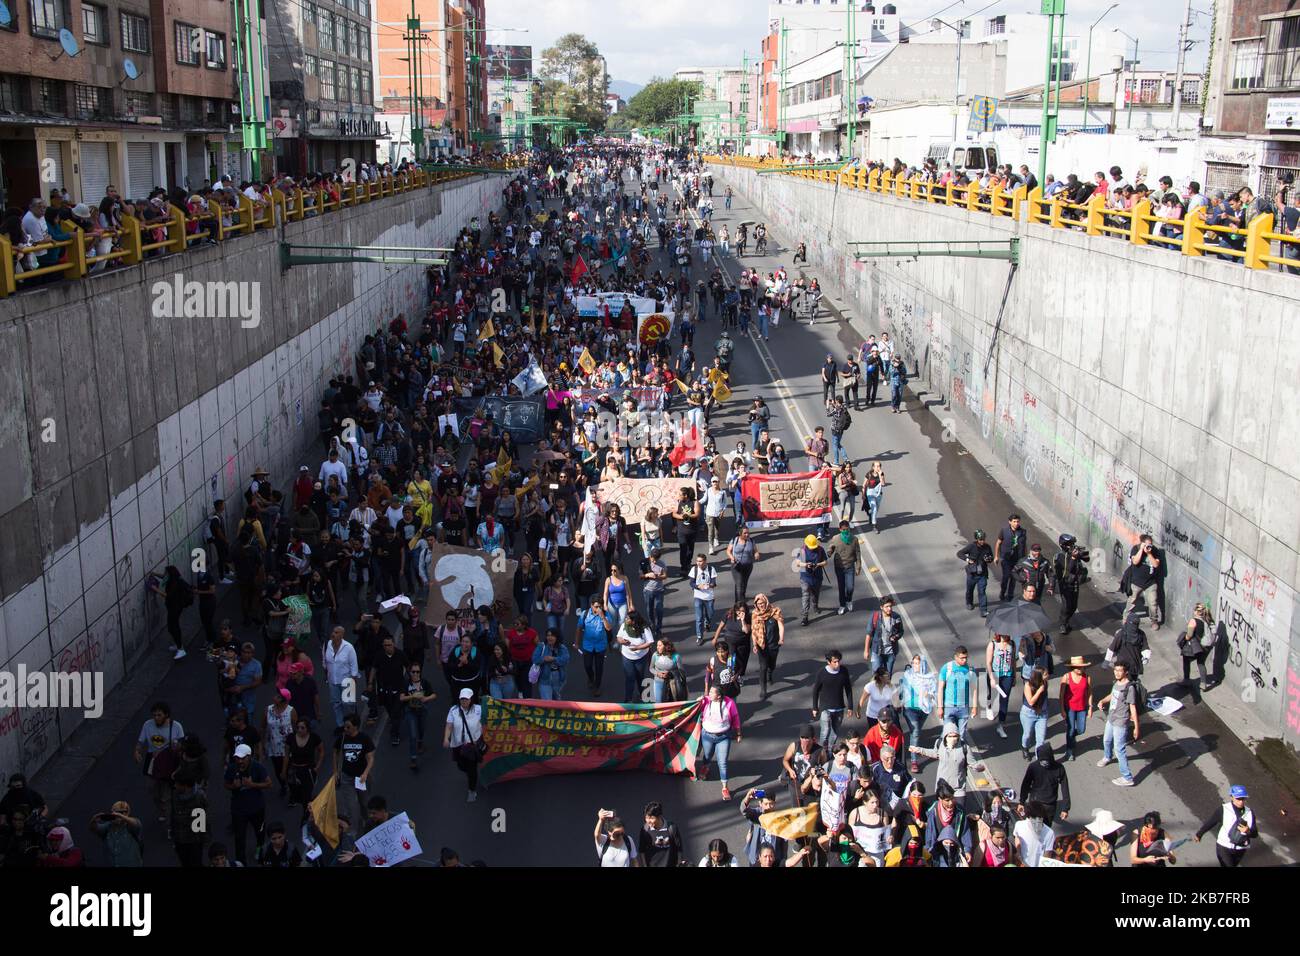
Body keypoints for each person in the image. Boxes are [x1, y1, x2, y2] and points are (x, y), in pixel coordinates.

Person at [224, 743, 271, 866]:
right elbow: (226, 784)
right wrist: (233, 786)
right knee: (239, 838)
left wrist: (253, 785)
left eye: (242, 758)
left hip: (257, 808)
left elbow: (268, 784)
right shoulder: (232, 768)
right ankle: (241, 862)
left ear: (249, 757)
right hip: (238, 810)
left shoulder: (257, 767)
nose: (239, 761)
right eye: (237, 758)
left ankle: (260, 852)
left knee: (260, 833)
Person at [1096, 661, 1139, 788]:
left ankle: (1127, 777)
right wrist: (1103, 700)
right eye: (1115, 670)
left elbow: (1133, 707)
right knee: (1106, 740)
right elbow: (1112, 695)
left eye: (1119, 670)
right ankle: (1107, 757)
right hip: (1111, 718)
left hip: (1121, 721)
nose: (1116, 672)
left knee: (1119, 749)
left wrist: (1136, 727)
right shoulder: (1116, 683)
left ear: (1126, 672)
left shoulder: (1129, 688)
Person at [1194, 785, 1258, 867]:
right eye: (1238, 798)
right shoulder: (1223, 809)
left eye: (1243, 798)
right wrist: (1199, 834)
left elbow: (1255, 834)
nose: (1241, 801)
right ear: (1232, 797)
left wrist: (1248, 831)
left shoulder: (1250, 812)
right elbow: (1211, 822)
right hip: (1223, 847)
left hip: (1240, 850)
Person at [697, 683, 742, 800]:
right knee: (707, 755)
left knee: (722, 762)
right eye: (710, 692)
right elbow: (697, 708)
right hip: (707, 735)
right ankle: (705, 767)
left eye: (712, 692)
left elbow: (736, 718)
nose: (709, 694)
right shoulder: (706, 701)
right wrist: (698, 701)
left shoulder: (729, 703)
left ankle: (725, 788)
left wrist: (738, 733)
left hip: (723, 737)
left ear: (719, 696)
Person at [910, 721, 975, 797]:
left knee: (960, 808)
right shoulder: (939, 743)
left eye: (955, 736)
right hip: (942, 785)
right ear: (945, 736)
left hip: (958, 787)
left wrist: (977, 767)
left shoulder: (964, 747)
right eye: (950, 736)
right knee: (943, 808)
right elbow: (934, 753)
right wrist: (919, 750)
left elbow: (972, 763)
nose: (953, 738)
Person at [896, 655, 936, 775]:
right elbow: (902, 689)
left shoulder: (930, 677)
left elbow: (934, 692)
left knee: (917, 731)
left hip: (924, 709)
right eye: (913, 663)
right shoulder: (908, 675)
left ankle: (915, 745)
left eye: (917, 663)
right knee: (916, 731)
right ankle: (914, 761)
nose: (915, 666)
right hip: (910, 708)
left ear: (923, 664)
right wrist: (899, 702)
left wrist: (927, 694)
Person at [444, 688, 484, 803]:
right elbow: (449, 725)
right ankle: (471, 774)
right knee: (461, 766)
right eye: (462, 699)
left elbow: (487, 721)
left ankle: (472, 790)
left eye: (466, 699)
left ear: (471, 699)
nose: (464, 701)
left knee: (472, 770)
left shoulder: (479, 710)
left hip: (472, 746)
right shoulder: (454, 710)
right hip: (458, 745)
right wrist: (446, 738)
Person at [811, 649, 854, 753]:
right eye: (834, 661)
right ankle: (821, 753)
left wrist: (850, 707)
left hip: (839, 708)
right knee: (825, 732)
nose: (837, 664)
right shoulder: (822, 673)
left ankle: (830, 752)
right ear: (828, 662)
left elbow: (848, 689)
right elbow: (815, 690)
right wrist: (815, 707)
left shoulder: (844, 671)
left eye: (838, 661)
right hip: (826, 708)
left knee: (835, 733)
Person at [1019, 744, 1070, 825]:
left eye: (1047, 760)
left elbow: (1065, 788)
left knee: (1046, 829)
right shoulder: (1033, 767)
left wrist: (1065, 808)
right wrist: (1022, 802)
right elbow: (1025, 784)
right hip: (1035, 804)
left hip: (1050, 806)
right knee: (1033, 827)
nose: (1045, 762)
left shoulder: (1059, 768)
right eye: (1042, 760)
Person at [924, 780, 972, 863]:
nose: (951, 803)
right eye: (947, 800)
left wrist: (967, 850)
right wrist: (929, 849)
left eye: (952, 798)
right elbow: (930, 833)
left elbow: (965, 831)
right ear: (940, 799)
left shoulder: (960, 811)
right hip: (938, 850)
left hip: (954, 850)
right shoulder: (933, 812)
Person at [399, 662, 436, 771]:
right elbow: (401, 698)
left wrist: (426, 699)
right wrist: (412, 696)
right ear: (410, 673)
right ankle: (413, 758)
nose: (415, 674)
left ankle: (420, 742)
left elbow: (434, 694)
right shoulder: (406, 684)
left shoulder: (424, 683)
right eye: (413, 672)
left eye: (418, 672)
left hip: (422, 710)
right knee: (413, 734)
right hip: (411, 711)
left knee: (421, 729)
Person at [936, 645, 974, 745]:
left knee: (961, 736)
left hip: (963, 707)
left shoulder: (970, 670)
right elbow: (940, 688)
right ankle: (941, 752)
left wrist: (975, 706)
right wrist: (940, 707)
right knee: (947, 734)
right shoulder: (947, 668)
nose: (964, 660)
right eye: (962, 658)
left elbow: (974, 689)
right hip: (949, 706)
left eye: (966, 657)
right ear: (955, 657)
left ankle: (960, 757)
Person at [88, 801, 144, 868]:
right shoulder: (108, 826)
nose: (117, 815)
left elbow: (137, 824)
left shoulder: (130, 826)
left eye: (121, 812)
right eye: (115, 812)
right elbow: (93, 829)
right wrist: (93, 820)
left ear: (127, 813)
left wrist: (122, 816)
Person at [576, 598, 614, 695]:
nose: (598, 609)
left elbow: (609, 628)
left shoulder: (605, 614)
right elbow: (579, 628)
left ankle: (597, 686)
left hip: (600, 645)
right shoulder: (585, 614)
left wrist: (602, 617)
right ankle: (591, 678)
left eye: (600, 607)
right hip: (587, 645)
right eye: (596, 607)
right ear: (591, 606)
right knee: (587, 665)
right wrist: (576, 642)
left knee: (599, 667)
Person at [750, 592, 785, 698]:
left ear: (766, 602)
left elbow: (781, 626)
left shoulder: (775, 612)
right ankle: (763, 690)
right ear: (756, 604)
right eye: (759, 603)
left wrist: (781, 639)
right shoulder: (755, 614)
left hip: (774, 644)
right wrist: (754, 644)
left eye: (763, 602)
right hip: (762, 645)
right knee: (763, 667)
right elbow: (753, 631)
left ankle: (770, 673)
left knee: (772, 664)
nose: (761, 605)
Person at [740, 788, 788, 866]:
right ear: (760, 804)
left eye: (771, 803)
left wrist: (784, 860)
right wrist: (747, 798)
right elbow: (744, 811)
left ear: (775, 803)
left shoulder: (780, 819)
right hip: (755, 857)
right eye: (765, 804)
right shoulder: (757, 814)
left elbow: (784, 843)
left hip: (772, 859)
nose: (768, 807)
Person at [847, 788, 893, 867]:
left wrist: (889, 838)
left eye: (877, 802)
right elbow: (848, 833)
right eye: (872, 802)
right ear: (865, 802)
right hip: (859, 851)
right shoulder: (855, 813)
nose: (875, 805)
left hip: (877, 852)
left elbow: (886, 833)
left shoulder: (883, 814)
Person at [617, 610, 655, 702]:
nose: (625, 619)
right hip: (627, 657)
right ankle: (628, 699)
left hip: (641, 657)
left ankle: (643, 696)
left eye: (628, 618)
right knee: (630, 677)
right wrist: (621, 641)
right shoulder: (624, 626)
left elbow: (650, 642)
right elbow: (618, 637)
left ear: (634, 621)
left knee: (640, 676)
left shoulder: (644, 628)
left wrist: (638, 647)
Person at [1059, 655, 1093, 760]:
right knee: (1070, 728)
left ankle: (1072, 737)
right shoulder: (1067, 677)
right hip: (1070, 707)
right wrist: (1062, 710)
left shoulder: (1087, 677)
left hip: (1082, 707)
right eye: (1077, 667)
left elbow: (1090, 693)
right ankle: (1069, 751)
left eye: (1081, 667)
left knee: (1081, 729)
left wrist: (1090, 707)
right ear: (1072, 668)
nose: (1080, 669)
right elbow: (1061, 695)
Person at [1178, 601, 1217, 690]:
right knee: (1201, 663)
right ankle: (1203, 683)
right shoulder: (1209, 620)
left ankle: (1186, 680)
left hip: (1197, 646)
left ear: (1196, 611)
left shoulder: (1193, 621)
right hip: (1207, 646)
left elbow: (1189, 635)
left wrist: (1185, 638)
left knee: (1186, 660)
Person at [828, 519, 862, 615]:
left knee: (850, 587)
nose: (845, 531)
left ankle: (849, 600)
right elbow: (830, 548)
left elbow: (858, 553)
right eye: (843, 530)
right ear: (840, 529)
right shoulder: (835, 538)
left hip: (850, 566)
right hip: (839, 567)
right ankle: (842, 605)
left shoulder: (854, 539)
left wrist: (858, 566)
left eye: (847, 529)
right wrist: (829, 552)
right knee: (841, 587)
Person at [957, 530, 994, 616]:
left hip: (983, 574)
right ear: (977, 539)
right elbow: (959, 553)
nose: (982, 541)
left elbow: (991, 557)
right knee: (970, 590)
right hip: (972, 574)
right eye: (980, 539)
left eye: (983, 539)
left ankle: (983, 610)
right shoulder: (971, 546)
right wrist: (967, 559)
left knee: (982, 591)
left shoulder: (987, 547)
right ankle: (969, 602)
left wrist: (989, 559)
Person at [865, 596, 904, 676]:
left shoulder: (896, 617)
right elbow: (868, 634)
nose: (889, 608)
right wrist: (866, 651)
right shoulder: (875, 617)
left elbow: (901, 631)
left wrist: (896, 637)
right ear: (881, 607)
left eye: (890, 606)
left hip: (891, 652)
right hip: (877, 651)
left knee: (887, 676)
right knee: (876, 676)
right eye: (886, 607)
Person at [638, 801, 684, 868]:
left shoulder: (672, 828)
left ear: (659, 816)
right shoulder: (645, 830)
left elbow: (679, 849)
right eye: (646, 817)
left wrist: (679, 864)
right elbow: (642, 851)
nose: (648, 821)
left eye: (652, 818)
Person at [530, 628, 571, 701]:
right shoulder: (541, 646)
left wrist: (554, 659)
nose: (550, 638)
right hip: (544, 679)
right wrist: (543, 659)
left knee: (556, 700)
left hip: (558, 679)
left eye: (552, 636)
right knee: (547, 702)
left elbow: (566, 659)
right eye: (548, 635)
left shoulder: (562, 648)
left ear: (557, 637)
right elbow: (534, 659)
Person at [994, 514, 1027, 602]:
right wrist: (996, 556)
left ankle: (1010, 595)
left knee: (1014, 577)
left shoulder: (1023, 532)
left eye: (1018, 521)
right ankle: (1002, 592)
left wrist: (1025, 558)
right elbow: (998, 543)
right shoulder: (1004, 531)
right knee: (1006, 576)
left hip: (1017, 559)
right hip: (1006, 558)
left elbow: (1024, 545)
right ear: (1010, 522)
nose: (1016, 523)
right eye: (1014, 522)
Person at [1012, 800, 1055, 867]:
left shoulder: (1049, 833)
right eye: (1034, 818)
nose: (1037, 821)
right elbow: (1017, 836)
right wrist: (1019, 853)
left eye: (1040, 818)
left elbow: (1047, 855)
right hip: (1022, 863)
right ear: (1028, 817)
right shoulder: (1019, 825)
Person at [795, 534, 827, 625]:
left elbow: (825, 562)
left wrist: (818, 564)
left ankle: (815, 605)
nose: (812, 548)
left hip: (817, 577)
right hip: (805, 577)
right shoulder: (802, 550)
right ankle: (805, 617)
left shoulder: (820, 550)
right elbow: (797, 563)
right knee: (805, 596)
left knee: (815, 594)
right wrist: (806, 564)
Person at [1018, 667, 1049, 758]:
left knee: (1041, 739)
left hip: (1042, 714)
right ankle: (1025, 747)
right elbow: (1031, 702)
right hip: (1028, 714)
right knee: (1027, 735)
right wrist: (1039, 691)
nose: (1048, 676)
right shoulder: (1028, 685)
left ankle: (1039, 758)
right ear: (1039, 676)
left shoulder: (1045, 683)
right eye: (1045, 674)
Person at [688, 553, 718, 645]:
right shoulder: (694, 569)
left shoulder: (711, 569)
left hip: (709, 597)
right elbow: (691, 583)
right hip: (698, 597)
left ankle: (707, 622)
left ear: (705, 561)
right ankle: (699, 637)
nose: (698, 563)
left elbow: (714, 583)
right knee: (699, 618)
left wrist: (708, 585)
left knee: (710, 613)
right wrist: (698, 586)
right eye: (697, 561)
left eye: (700, 561)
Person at [726, 527, 757, 604]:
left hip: (748, 566)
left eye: (748, 533)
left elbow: (755, 551)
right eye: (745, 533)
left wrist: (757, 554)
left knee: (744, 583)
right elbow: (728, 551)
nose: (747, 535)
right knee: (739, 583)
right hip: (736, 566)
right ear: (740, 534)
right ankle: (740, 603)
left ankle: (740, 597)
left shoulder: (751, 541)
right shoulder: (734, 540)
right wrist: (732, 557)